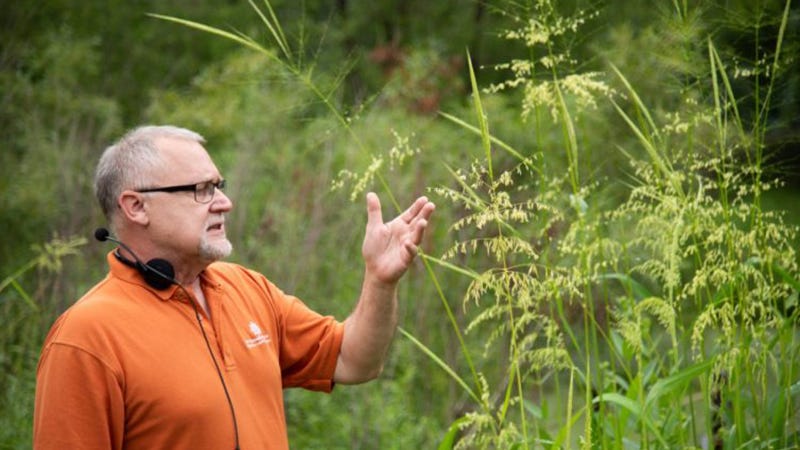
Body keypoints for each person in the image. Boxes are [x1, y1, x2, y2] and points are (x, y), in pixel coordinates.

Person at [33, 125, 435, 450]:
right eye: (200, 190)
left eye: (218, 185)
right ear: (136, 207)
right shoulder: (86, 337)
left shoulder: (248, 288)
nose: (223, 202)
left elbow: (354, 361)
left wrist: (380, 281)